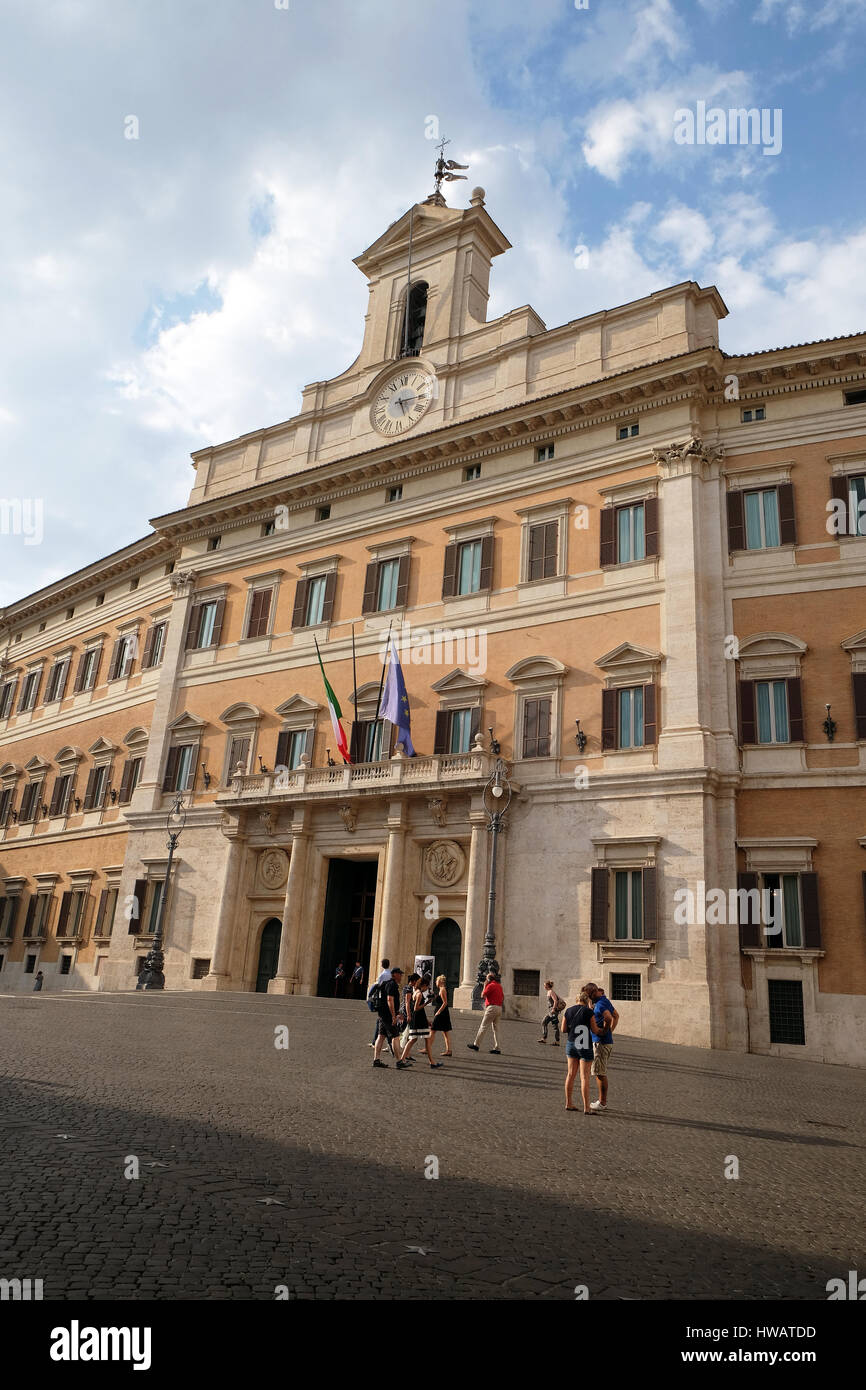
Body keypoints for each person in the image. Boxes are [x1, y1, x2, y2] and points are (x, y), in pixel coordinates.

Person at [563, 990, 601, 1113]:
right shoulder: (589, 1012)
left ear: (577, 1000)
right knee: (584, 1077)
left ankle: (568, 1103)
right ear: (587, 1001)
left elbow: (563, 1029)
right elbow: (595, 1030)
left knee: (570, 1075)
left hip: (571, 1043)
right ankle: (586, 1107)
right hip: (584, 1044)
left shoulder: (568, 1011)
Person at [583, 981, 619, 1112]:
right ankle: (602, 1101)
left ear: (592, 993)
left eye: (589, 996)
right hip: (605, 1041)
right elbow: (616, 1015)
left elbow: (609, 1018)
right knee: (600, 1071)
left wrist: (604, 1031)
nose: (589, 999)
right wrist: (610, 1031)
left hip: (600, 1042)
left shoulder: (599, 1005)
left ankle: (602, 1102)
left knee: (599, 1073)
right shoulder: (604, 1000)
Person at [401, 974, 443, 1069]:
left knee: (413, 1039)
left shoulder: (415, 991)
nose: (427, 988)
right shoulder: (419, 994)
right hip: (419, 1018)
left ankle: (402, 1059)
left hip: (417, 1018)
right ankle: (432, 1063)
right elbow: (416, 1008)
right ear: (423, 985)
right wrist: (426, 1003)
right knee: (425, 1040)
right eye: (427, 986)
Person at [372, 966, 409, 1069]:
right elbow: (390, 1000)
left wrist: (397, 1013)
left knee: (381, 1036)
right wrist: (393, 1016)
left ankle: (376, 1060)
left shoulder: (387, 984)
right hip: (388, 1016)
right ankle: (399, 1061)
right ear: (395, 974)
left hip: (382, 1014)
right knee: (395, 1037)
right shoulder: (392, 985)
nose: (401, 976)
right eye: (400, 974)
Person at [466, 972, 504, 1054]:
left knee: (483, 1026)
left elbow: (482, 995)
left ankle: (476, 1044)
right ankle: (497, 1048)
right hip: (499, 1007)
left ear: (488, 979)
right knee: (496, 1029)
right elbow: (502, 997)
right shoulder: (499, 986)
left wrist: (484, 985)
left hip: (492, 1008)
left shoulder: (490, 985)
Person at [369, 959, 392, 1047]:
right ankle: (375, 1041)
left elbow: (377, 985)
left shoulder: (382, 974)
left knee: (382, 1021)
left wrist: (370, 995)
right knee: (381, 1021)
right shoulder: (390, 973)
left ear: (382, 965)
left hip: (382, 999)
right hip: (388, 998)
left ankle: (388, 1043)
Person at [430, 974, 453, 1057]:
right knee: (445, 1032)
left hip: (442, 1014)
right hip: (443, 1013)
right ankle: (449, 1050)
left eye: (436, 981)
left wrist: (438, 1012)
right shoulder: (440, 989)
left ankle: (427, 1048)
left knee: (433, 1030)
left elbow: (445, 1002)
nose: (436, 982)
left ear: (439, 981)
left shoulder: (442, 989)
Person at [538, 979, 566, 1045]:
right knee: (553, 1025)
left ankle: (546, 1039)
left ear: (547, 985)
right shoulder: (549, 992)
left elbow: (555, 1001)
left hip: (553, 1011)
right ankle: (556, 1041)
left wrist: (553, 1009)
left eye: (544, 985)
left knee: (545, 1022)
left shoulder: (551, 992)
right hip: (552, 1011)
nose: (544, 986)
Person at [398, 972, 421, 1055]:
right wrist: (408, 1015)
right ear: (414, 981)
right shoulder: (409, 988)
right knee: (404, 1031)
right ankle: (399, 1050)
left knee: (407, 1032)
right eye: (418, 981)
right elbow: (407, 1002)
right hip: (406, 1011)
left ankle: (406, 1053)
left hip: (406, 1010)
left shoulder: (409, 987)